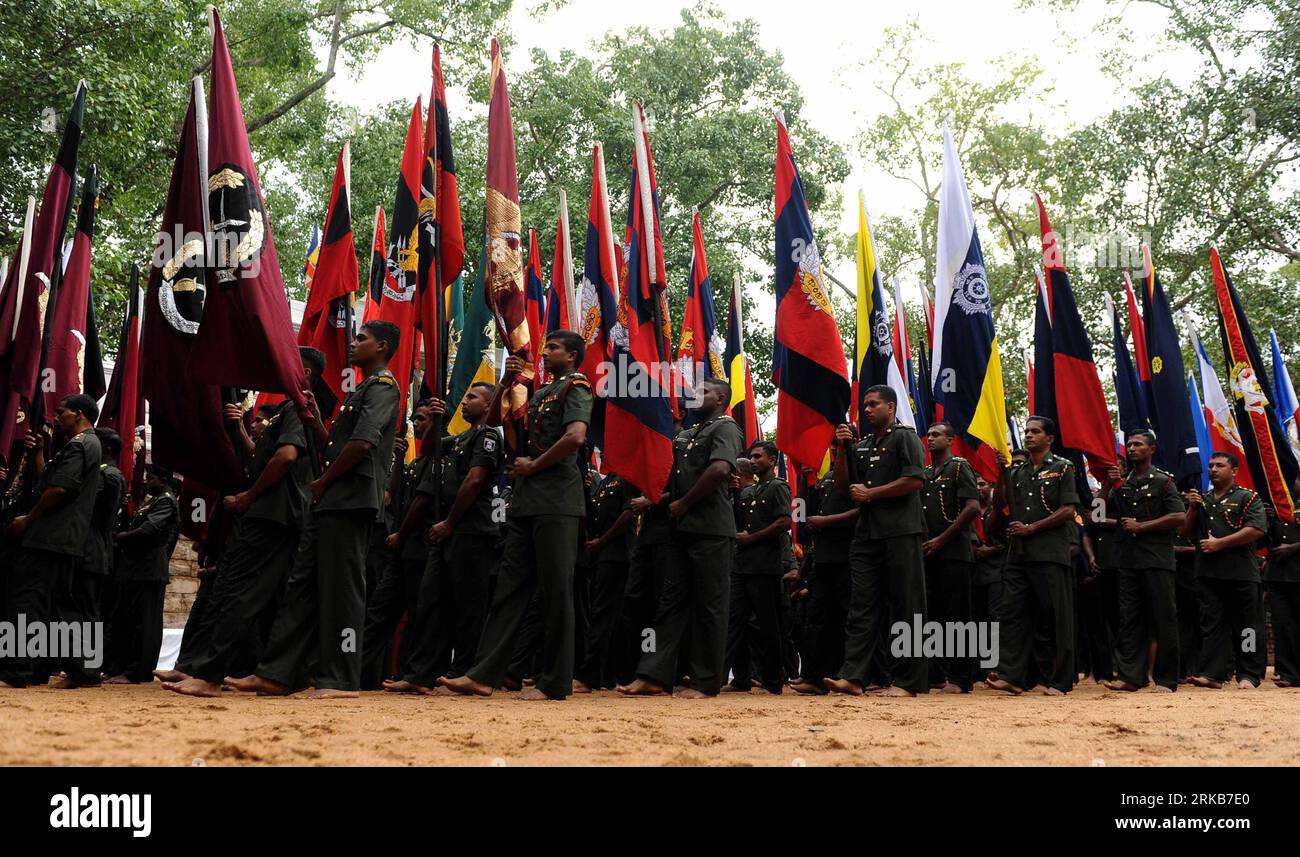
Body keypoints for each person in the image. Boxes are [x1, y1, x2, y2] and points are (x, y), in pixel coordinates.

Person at [227, 321, 401, 699]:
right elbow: (333, 445)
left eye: (362, 339)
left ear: (382, 347)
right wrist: (313, 418)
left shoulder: (383, 387)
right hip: (332, 501)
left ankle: (342, 677)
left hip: (352, 500)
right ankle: (277, 673)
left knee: (344, 592)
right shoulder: (360, 390)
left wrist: (322, 481)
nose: (354, 343)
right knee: (301, 587)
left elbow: (362, 444)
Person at [441, 330, 593, 701]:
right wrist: (507, 380)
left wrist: (535, 465)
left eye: (554, 348)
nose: (545, 352)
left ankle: (554, 681)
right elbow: (494, 419)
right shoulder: (540, 392)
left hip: (557, 500)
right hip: (527, 501)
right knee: (509, 589)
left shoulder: (577, 387)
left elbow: (575, 437)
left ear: (572, 356)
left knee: (556, 590)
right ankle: (483, 675)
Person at [163, 347, 324, 697]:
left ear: (305, 373)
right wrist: (238, 426)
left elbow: (286, 456)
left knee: (239, 593)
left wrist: (248, 498)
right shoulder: (287, 410)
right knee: (273, 598)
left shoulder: (296, 406)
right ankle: (283, 675)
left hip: (271, 517)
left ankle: (209, 675)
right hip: (276, 518)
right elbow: (260, 455)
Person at [619, 377, 744, 698]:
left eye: (703, 391)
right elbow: (670, 480)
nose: (694, 395)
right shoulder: (687, 435)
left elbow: (719, 470)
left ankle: (706, 681)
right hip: (680, 530)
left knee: (710, 606)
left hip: (711, 529)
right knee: (670, 604)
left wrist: (684, 503)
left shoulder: (726, 428)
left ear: (720, 399)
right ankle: (654, 675)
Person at [386, 382, 504, 693]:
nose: (465, 402)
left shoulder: (487, 436)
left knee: (468, 605)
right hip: (448, 531)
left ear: (488, 405)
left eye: (473, 397)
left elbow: (475, 480)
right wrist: (437, 421)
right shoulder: (462, 438)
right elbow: (430, 449)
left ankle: (465, 672)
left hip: (471, 529)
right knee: (432, 600)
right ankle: (421, 674)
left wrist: (449, 522)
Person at [824, 385, 928, 697]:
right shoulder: (864, 444)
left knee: (907, 606)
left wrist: (872, 494)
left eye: (873, 404)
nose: (867, 410)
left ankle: (910, 681)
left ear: (891, 407)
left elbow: (915, 479)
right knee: (861, 607)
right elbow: (843, 486)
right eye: (865, 405)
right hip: (867, 534)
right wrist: (844, 448)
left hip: (900, 532)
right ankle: (854, 677)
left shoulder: (904, 437)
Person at [0, 395, 103, 688]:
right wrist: (38, 454)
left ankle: (17, 671)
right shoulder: (86, 444)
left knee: (27, 601)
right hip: (64, 539)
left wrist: (27, 520)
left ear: (79, 414)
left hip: (49, 536)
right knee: (61, 607)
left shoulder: (79, 445)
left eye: (62, 412)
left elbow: (58, 490)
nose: (57, 418)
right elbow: (51, 479)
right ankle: (83, 670)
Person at [985, 416, 1079, 696]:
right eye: (1026, 431)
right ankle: (1012, 675)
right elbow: (1000, 504)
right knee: (1013, 612)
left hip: (1049, 551)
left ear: (1049, 438)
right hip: (1019, 553)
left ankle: (1059, 680)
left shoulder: (1062, 467)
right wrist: (1001, 472)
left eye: (1035, 431)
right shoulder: (1018, 472)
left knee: (1053, 616)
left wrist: (1032, 528)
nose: (1028, 435)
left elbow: (1068, 510)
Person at [1098, 430, 1186, 693]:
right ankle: (1131, 676)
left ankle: (1167, 679)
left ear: (1152, 450)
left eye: (1138, 444)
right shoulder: (1122, 484)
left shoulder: (1163, 481)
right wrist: (1106, 484)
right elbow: (1098, 514)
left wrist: (1142, 526)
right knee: (1130, 619)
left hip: (1156, 559)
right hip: (1128, 560)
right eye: (1129, 445)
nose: (1132, 448)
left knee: (1163, 618)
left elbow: (1179, 517)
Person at [359, 400, 436, 689]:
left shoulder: (437, 457)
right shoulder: (415, 462)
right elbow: (394, 494)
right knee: (379, 612)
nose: (417, 424)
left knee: (417, 614)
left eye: (423, 419)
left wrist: (401, 534)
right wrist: (398, 461)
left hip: (419, 548)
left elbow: (421, 502)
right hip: (400, 551)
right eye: (415, 419)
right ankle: (360, 672)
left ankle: (410, 674)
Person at [1182, 451, 1267, 689]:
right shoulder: (1203, 500)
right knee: (1212, 624)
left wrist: (1220, 543)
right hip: (1209, 573)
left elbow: (1256, 529)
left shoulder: (1247, 497)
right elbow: (1184, 533)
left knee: (1247, 626)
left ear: (1234, 471)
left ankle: (1249, 674)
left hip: (1241, 573)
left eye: (1219, 465)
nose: (1213, 469)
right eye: (1211, 466)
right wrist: (1192, 509)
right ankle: (1213, 673)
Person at [51, 427, 126, 689]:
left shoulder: (105, 475)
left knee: (81, 612)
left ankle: (83, 671)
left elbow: (81, 506)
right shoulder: (113, 474)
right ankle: (86, 669)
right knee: (88, 612)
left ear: (105, 449)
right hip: (95, 549)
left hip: (88, 549)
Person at [721, 440, 791, 694]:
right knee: (733, 623)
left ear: (772, 460)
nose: (753, 460)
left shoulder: (778, 487)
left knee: (767, 626)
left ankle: (773, 681)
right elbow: (739, 522)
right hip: (742, 567)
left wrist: (752, 539)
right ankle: (722, 677)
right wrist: (732, 493)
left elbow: (784, 522)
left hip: (764, 567)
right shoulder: (748, 492)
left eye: (758, 456)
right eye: (751, 456)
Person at [790, 448, 857, 695]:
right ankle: (814, 677)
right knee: (816, 619)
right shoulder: (824, 478)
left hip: (846, 557)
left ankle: (850, 675)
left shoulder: (854, 474)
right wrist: (804, 480)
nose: (833, 450)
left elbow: (861, 513)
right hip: (822, 559)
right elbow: (802, 515)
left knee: (846, 619)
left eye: (838, 446)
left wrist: (826, 522)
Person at [919, 420, 980, 693]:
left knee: (958, 616)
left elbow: (972, 507)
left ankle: (961, 677)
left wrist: (942, 539)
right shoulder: (926, 472)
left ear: (950, 440)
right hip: (929, 552)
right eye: (929, 435)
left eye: (937, 435)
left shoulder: (958, 467)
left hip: (954, 551)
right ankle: (936, 673)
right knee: (933, 615)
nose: (931, 439)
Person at [105, 464, 180, 684]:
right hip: (136, 568)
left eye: (151, 478)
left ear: (163, 480)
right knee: (129, 619)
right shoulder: (152, 501)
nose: (146, 481)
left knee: (144, 623)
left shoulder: (165, 501)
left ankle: (137, 672)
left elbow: (149, 529)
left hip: (149, 569)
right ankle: (121, 667)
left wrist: (119, 538)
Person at [572, 469, 636, 693]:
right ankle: (616, 675)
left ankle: (588, 677)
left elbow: (629, 513)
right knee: (612, 618)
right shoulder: (603, 481)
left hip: (617, 554)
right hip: (600, 555)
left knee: (603, 614)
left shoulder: (627, 477)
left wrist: (602, 541)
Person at [1265, 479, 1300, 687]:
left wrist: (1295, 547)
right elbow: (1268, 540)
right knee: (1283, 624)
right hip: (1278, 574)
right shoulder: (1280, 505)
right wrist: (1269, 520)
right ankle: (1288, 673)